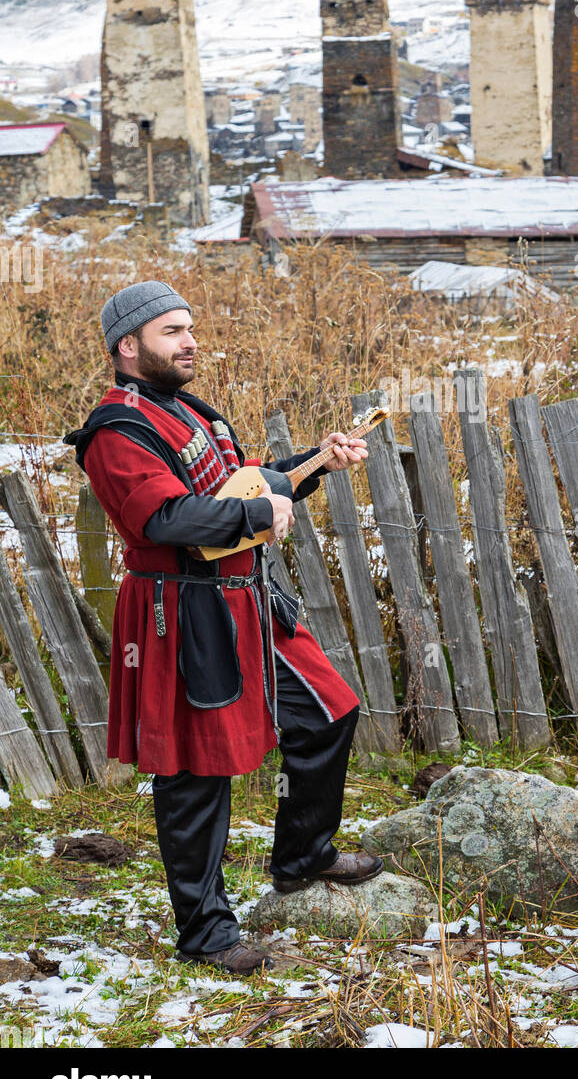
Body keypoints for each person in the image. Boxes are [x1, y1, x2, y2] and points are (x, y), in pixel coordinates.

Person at [64, 281, 383, 975]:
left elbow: (239, 486)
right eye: (172, 331)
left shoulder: (185, 411)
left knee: (330, 712)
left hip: (246, 601)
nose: (190, 341)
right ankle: (205, 934)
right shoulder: (117, 430)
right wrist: (255, 519)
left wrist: (314, 462)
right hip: (178, 613)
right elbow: (165, 519)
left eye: (189, 328)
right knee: (192, 773)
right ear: (128, 346)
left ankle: (303, 855)